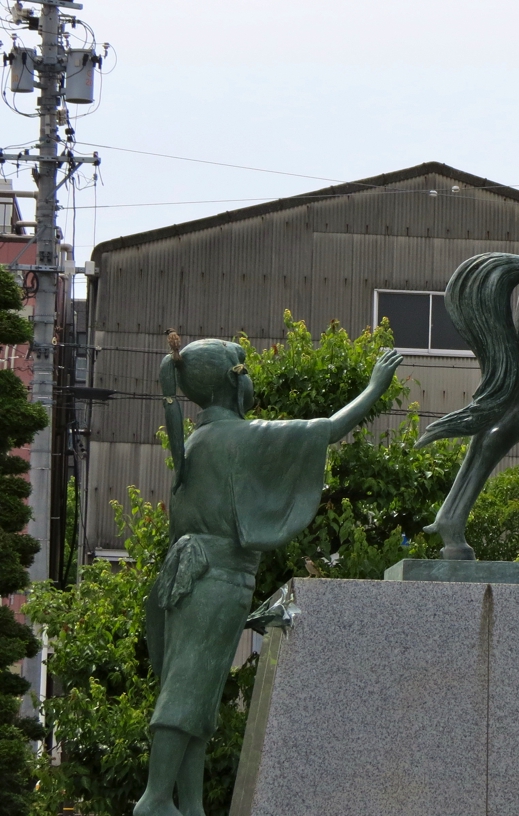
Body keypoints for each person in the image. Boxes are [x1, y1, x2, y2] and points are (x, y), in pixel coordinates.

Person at [133, 334, 402, 816]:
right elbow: (328, 428)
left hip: (193, 574)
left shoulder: (198, 439)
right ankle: (155, 799)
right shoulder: (238, 435)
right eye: (245, 370)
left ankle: (189, 804)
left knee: (201, 695)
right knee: (189, 689)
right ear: (235, 384)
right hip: (214, 576)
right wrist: (374, 386)